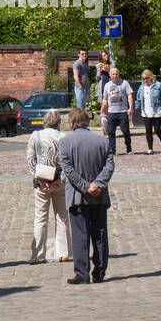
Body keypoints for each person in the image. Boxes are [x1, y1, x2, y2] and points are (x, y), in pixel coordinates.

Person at [58, 107, 116, 284]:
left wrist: (85, 186)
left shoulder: (66, 143)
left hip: (78, 196)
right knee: (99, 235)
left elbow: (68, 169)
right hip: (98, 196)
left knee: (80, 235)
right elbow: (110, 166)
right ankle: (99, 272)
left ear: (71, 122)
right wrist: (97, 184)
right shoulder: (102, 141)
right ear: (87, 121)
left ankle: (82, 273)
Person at [25, 109, 72, 264]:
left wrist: (38, 179)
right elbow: (67, 161)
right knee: (62, 216)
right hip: (59, 180)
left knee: (40, 217)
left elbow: (30, 159)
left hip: (41, 181)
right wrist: (62, 179)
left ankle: (38, 254)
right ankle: (63, 252)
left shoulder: (35, 135)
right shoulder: (63, 137)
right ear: (58, 122)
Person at [135, 70, 161, 154]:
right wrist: (133, 109)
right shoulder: (142, 87)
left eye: (146, 78)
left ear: (151, 77)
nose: (145, 80)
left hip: (157, 110)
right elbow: (138, 99)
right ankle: (150, 148)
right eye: (143, 78)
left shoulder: (158, 85)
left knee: (157, 129)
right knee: (148, 130)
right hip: (146, 111)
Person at [101, 65, 133, 155]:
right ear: (110, 75)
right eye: (113, 74)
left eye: (117, 74)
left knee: (125, 131)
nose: (115, 75)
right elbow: (105, 99)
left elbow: (130, 95)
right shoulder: (107, 85)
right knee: (111, 132)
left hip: (122, 111)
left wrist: (131, 107)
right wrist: (103, 110)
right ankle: (112, 150)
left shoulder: (124, 83)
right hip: (111, 112)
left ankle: (128, 147)